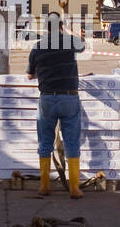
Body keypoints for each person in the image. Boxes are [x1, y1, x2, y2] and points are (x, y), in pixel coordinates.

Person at [27, 13, 85, 198]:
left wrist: (45, 73)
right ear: (60, 26)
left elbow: (29, 75)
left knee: (45, 142)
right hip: (69, 98)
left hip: (47, 100)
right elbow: (82, 44)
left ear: (46, 28)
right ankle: (74, 188)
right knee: (71, 142)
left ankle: (44, 186)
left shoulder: (37, 47)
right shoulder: (69, 42)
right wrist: (67, 29)